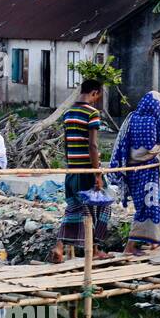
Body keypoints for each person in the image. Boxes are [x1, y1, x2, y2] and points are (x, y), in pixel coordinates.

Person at [111, 90, 160, 254]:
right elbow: (155, 145)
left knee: (147, 205)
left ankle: (154, 240)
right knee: (147, 206)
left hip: (132, 170)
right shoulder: (152, 121)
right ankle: (131, 246)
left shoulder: (132, 118)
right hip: (146, 170)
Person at [52, 79, 105, 263]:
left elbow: (66, 143)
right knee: (96, 207)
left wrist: (70, 165)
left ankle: (59, 246)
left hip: (72, 169)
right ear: (94, 93)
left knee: (73, 209)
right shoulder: (92, 113)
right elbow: (93, 144)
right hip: (86, 170)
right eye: (98, 95)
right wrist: (97, 172)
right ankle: (95, 249)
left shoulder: (68, 113)